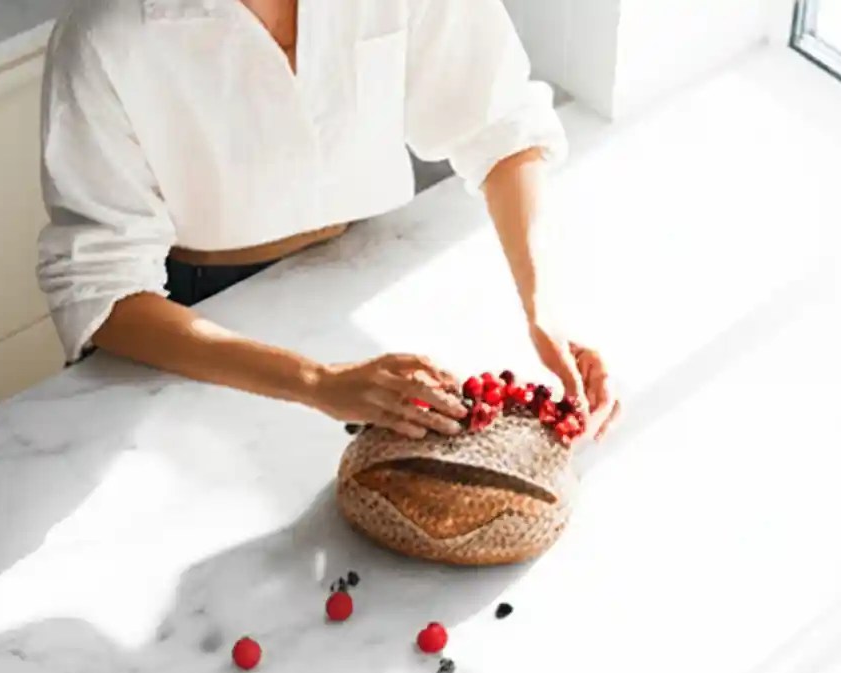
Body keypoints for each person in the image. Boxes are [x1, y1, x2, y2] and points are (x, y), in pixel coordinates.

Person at [36, 0, 619, 440]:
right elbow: (105, 294)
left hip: (364, 268)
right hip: (199, 314)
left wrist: (544, 308)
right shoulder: (105, 36)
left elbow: (502, 125)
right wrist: (316, 381)